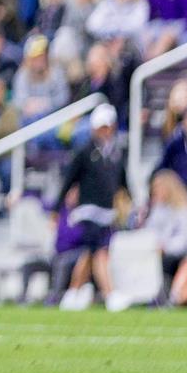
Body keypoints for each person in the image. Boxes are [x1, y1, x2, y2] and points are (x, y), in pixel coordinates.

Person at [58, 105, 129, 310]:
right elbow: (69, 180)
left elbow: (122, 181)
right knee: (100, 251)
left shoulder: (115, 152)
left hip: (106, 212)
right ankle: (110, 294)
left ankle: (73, 292)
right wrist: (56, 208)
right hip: (88, 210)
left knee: (90, 253)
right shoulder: (85, 151)